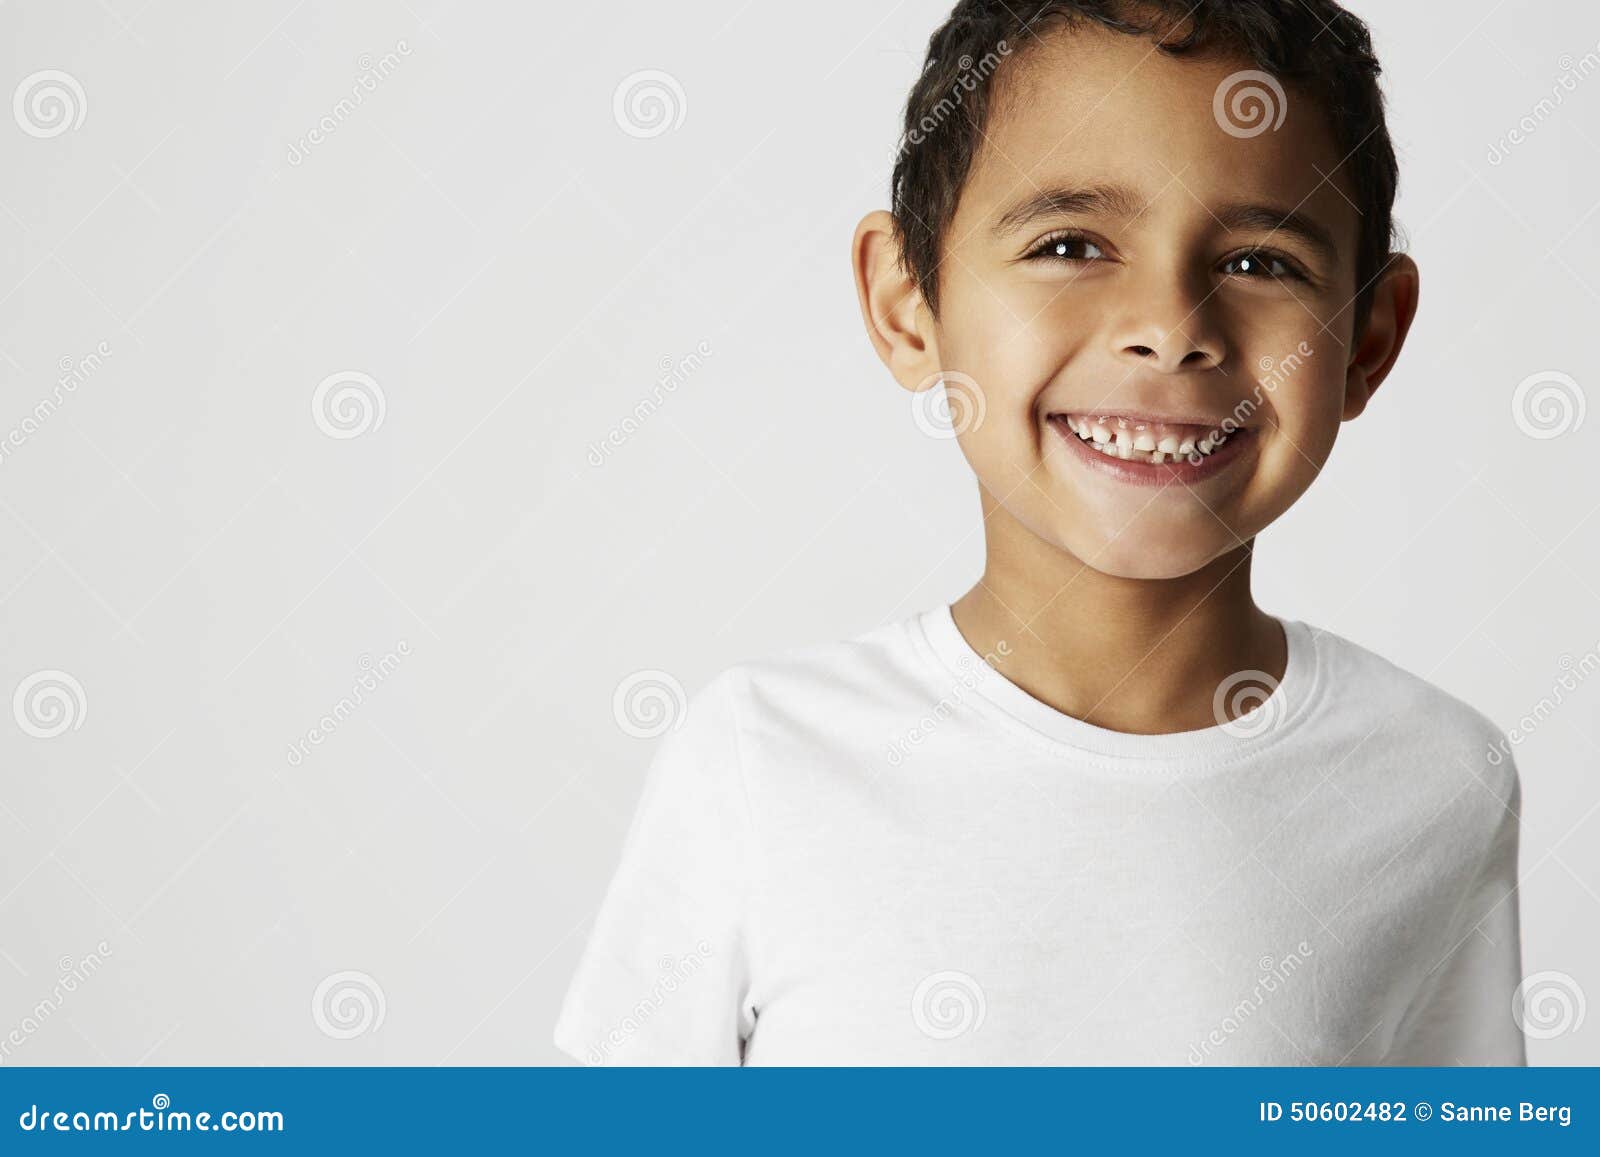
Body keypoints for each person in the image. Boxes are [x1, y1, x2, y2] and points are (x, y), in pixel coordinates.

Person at [554, 0, 1525, 1065]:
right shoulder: (759, 760)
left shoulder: (1436, 776)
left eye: (1258, 262)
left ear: (1366, 340)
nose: (1169, 326)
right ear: (906, 303)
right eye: (1069, 244)